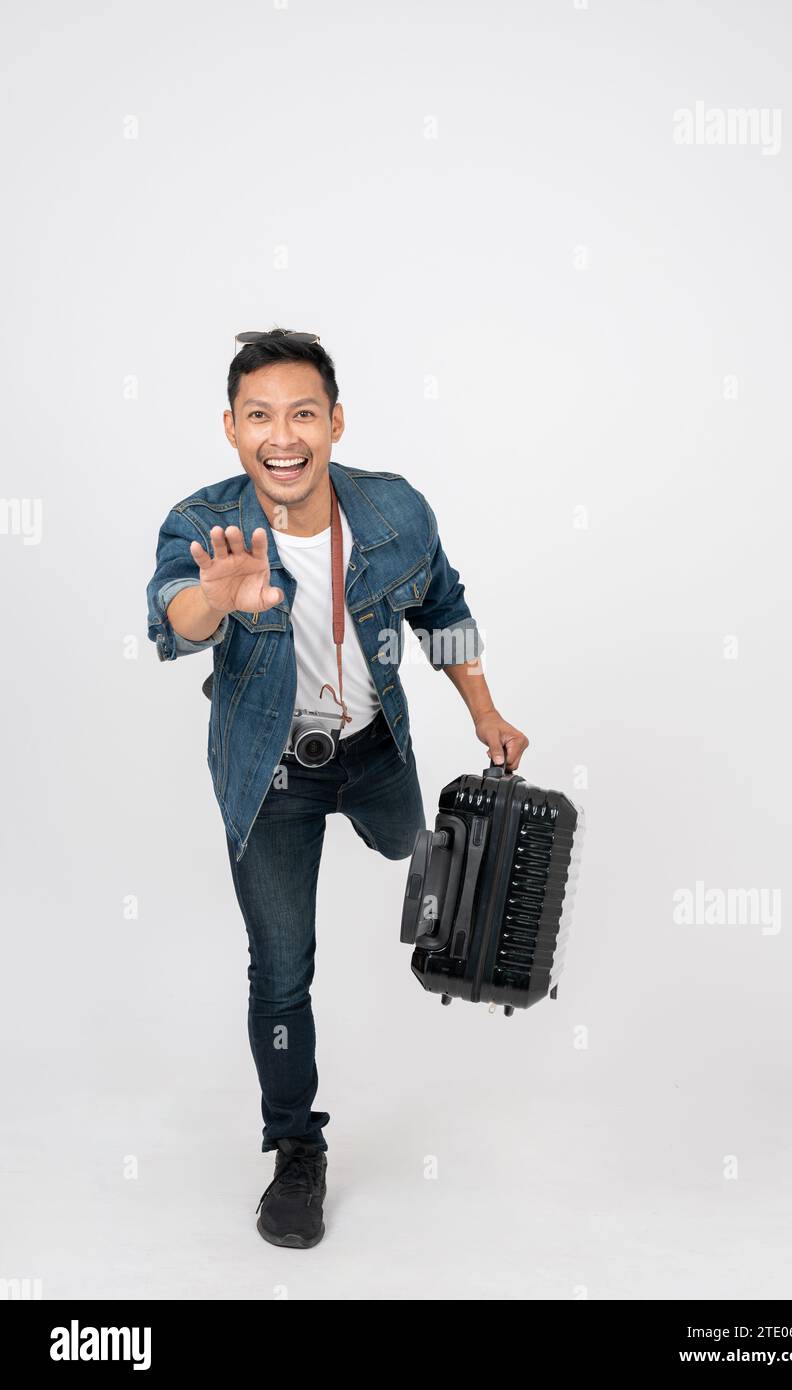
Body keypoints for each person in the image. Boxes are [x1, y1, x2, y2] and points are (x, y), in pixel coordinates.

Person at [145, 328, 529, 1248]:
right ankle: (296, 1152)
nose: (284, 436)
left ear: (335, 422)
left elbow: (443, 608)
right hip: (269, 776)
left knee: (408, 843)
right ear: (233, 430)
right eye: (261, 416)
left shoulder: (394, 511)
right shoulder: (206, 525)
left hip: (375, 750)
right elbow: (173, 618)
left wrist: (485, 713)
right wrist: (219, 599)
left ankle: (426, 888)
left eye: (303, 414)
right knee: (281, 973)